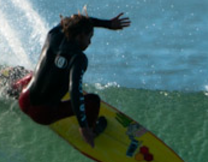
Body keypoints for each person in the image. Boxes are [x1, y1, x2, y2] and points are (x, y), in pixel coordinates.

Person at [10, 11, 130, 147]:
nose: (90, 42)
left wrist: (108, 24)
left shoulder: (53, 35)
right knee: (93, 101)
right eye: (89, 37)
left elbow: (73, 20)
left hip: (24, 100)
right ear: (80, 35)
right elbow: (75, 91)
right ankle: (92, 130)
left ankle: (12, 89)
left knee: (36, 74)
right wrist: (83, 126)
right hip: (42, 114)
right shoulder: (78, 58)